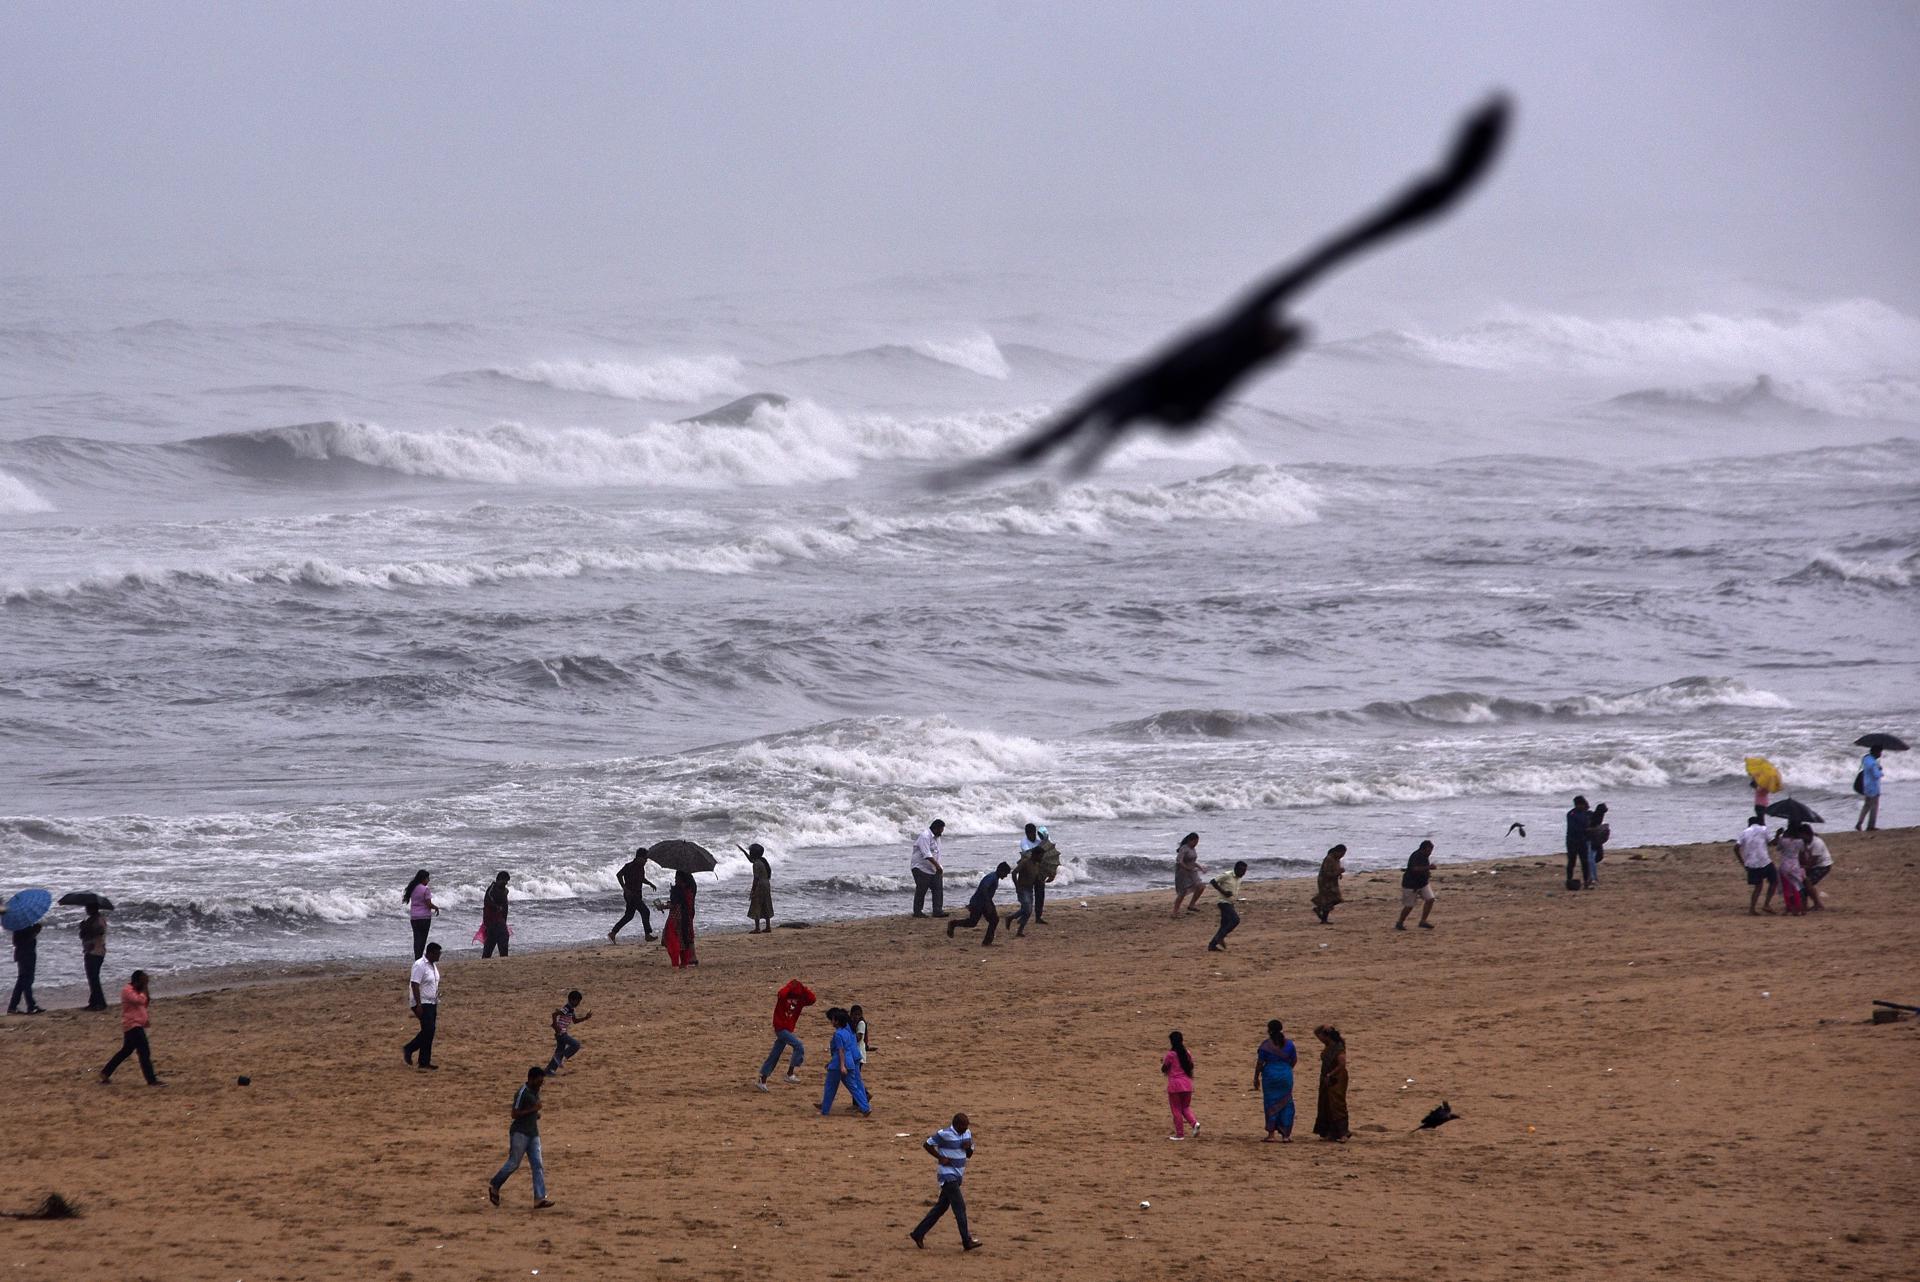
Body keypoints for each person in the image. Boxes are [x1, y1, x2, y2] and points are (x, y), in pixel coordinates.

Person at [910, 1113, 980, 1251]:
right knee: (960, 1207)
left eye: (967, 1127)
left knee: (941, 1208)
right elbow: (927, 1144)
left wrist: (968, 1147)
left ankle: (918, 1233)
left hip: (958, 1175)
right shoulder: (944, 1134)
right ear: (955, 1125)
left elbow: (969, 1155)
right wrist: (940, 1157)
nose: (965, 1129)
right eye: (963, 1127)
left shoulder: (967, 1133)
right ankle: (966, 1241)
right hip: (947, 1175)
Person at [488, 1066, 554, 1209]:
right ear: (531, 1079)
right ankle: (495, 1184)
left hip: (533, 1133)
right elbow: (514, 1114)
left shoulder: (534, 1090)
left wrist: (534, 1114)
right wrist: (533, 1110)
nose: (541, 1084)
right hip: (520, 1133)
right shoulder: (522, 1092)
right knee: (513, 1163)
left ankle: (539, 1198)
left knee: (538, 1165)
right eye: (539, 1081)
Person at [100, 970, 160, 1085]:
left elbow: (145, 1003)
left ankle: (105, 1072)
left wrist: (145, 988)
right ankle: (151, 1080)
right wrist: (144, 988)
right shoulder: (127, 990)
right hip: (133, 1025)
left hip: (136, 1024)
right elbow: (139, 1001)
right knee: (144, 1052)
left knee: (126, 1051)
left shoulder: (138, 990)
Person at [757, 977, 815, 1090]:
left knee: (775, 1054)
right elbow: (781, 993)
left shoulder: (800, 1000)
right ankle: (789, 1073)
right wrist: (790, 986)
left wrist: (803, 988)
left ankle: (762, 1079)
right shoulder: (784, 998)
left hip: (786, 1030)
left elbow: (812, 999)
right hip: (781, 1028)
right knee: (798, 1046)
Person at [819, 1006, 871, 1117]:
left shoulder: (838, 1034)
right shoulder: (848, 1030)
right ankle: (865, 1107)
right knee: (854, 1085)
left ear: (837, 1021)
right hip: (851, 1060)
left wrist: (840, 1065)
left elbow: (840, 1051)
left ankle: (825, 1109)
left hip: (840, 1063)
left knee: (830, 1086)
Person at [946, 862, 1009, 946]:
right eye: (1006, 873)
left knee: (991, 920)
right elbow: (984, 888)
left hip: (983, 902)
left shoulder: (994, 877)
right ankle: (953, 924)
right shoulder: (992, 877)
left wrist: (989, 903)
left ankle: (987, 942)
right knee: (975, 922)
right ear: (1001, 871)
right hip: (978, 903)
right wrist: (988, 904)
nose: (1006, 876)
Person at [1255, 1019, 1296, 1142]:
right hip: (1286, 1074)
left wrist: (1256, 1077)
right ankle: (1286, 1135)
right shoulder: (1289, 1044)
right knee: (1287, 1102)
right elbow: (1294, 1060)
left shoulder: (1265, 1045)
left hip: (1270, 1075)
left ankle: (1271, 1134)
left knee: (1270, 1103)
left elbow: (1260, 1063)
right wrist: (1285, 1069)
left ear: (1269, 1030)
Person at [404, 941, 442, 1069]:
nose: (439, 956)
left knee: (429, 1031)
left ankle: (424, 1061)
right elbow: (415, 984)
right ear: (430, 953)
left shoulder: (433, 966)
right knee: (428, 1030)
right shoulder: (420, 965)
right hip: (422, 1002)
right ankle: (409, 1048)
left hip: (432, 1002)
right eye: (437, 954)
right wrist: (418, 1004)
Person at [609, 847, 656, 942]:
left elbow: (641, 879)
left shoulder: (641, 867)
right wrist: (624, 888)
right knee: (645, 911)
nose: (646, 861)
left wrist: (650, 883)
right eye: (645, 858)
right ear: (639, 858)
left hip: (637, 894)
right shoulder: (629, 866)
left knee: (629, 916)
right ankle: (647, 935)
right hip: (631, 895)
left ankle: (613, 933)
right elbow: (619, 875)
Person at [1311, 1025, 1350, 1141]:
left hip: (1336, 1078)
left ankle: (1343, 1133)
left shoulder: (1338, 1047)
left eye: (1323, 1036)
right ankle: (1330, 1132)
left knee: (1336, 1103)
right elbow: (1316, 1031)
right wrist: (1325, 1026)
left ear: (1327, 1036)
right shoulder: (1328, 1045)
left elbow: (1342, 1064)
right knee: (1325, 1103)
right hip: (1326, 1077)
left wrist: (1330, 1074)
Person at [1735, 812, 1777, 916]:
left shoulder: (1744, 832)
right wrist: (1778, 834)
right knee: (1774, 881)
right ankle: (1766, 904)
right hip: (1764, 860)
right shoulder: (1763, 829)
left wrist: (1742, 861)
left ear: (1749, 824)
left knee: (1758, 886)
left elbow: (1736, 848)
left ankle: (1752, 909)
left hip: (1751, 863)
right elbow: (1772, 843)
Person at [1163, 1030, 1198, 1139]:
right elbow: (1191, 1065)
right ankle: (1194, 1123)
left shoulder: (1170, 1054)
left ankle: (1180, 1134)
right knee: (1185, 1107)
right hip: (1187, 1084)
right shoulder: (1187, 1053)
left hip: (1175, 1086)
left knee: (1176, 1110)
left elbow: (1164, 1068)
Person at [546, 989, 591, 1075]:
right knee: (576, 1045)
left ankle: (549, 1070)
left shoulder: (571, 1009)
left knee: (559, 1050)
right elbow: (554, 1014)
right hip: (561, 1033)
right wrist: (555, 1025)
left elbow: (575, 1021)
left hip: (562, 1032)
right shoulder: (567, 1008)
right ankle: (560, 1057)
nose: (578, 1003)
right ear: (571, 1000)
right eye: (577, 1001)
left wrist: (585, 1018)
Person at [1207, 860, 1248, 951]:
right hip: (1223, 902)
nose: (1243, 873)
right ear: (1236, 869)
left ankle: (1212, 945)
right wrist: (1223, 892)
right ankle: (1220, 937)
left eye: (1245, 871)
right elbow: (1213, 881)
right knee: (1235, 920)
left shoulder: (1239, 878)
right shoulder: (1227, 875)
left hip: (1231, 903)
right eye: (1241, 871)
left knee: (1224, 925)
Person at [1395, 841, 1436, 931]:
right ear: (1423, 849)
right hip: (1411, 885)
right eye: (1429, 850)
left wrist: (1427, 873)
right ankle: (1400, 922)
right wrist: (1428, 867)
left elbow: (1422, 869)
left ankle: (1423, 921)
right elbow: (1414, 869)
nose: (1430, 853)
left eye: (1431, 850)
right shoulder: (1416, 856)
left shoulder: (1425, 856)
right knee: (1409, 906)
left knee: (1430, 899)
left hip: (1423, 883)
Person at [911, 820, 947, 918]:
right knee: (921, 890)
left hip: (933, 868)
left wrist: (939, 866)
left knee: (938, 889)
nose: (942, 832)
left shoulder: (937, 838)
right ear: (935, 829)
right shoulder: (925, 836)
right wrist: (938, 866)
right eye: (941, 829)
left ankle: (937, 911)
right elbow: (926, 854)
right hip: (921, 867)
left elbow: (937, 853)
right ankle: (917, 912)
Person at [662, 869, 698, 968]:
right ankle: (687, 960)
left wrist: (664, 906)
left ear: (681, 878)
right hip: (687, 914)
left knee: (672, 938)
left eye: (676, 878)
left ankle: (676, 962)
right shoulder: (691, 887)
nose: (675, 879)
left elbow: (674, 904)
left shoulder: (677, 890)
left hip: (676, 917)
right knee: (685, 938)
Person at [8, 921, 42, 1015]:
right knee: (27, 981)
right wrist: (34, 931)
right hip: (25, 956)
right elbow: (20, 941)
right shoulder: (22, 927)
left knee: (22, 981)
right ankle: (30, 1005)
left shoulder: (20, 926)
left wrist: (34, 931)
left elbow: (17, 942)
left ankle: (13, 1006)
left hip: (25, 955)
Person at [1772, 827, 1808, 916]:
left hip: (1785, 865)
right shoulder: (1800, 841)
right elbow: (1803, 853)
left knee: (1786, 888)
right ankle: (1799, 908)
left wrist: (1777, 835)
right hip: (1795, 865)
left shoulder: (1783, 841)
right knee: (1797, 887)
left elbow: (1777, 847)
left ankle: (1789, 908)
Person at [79, 904, 108, 1010]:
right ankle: (94, 1001)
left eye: (88, 908)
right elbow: (82, 935)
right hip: (91, 951)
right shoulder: (92, 920)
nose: (86, 909)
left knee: (93, 978)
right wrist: (83, 928)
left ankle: (100, 1003)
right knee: (92, 978)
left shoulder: (99, 920)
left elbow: (98, 932)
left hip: (96, 952)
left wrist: (86, 927)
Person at [404, 869, 438, 959]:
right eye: (427, 878)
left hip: (414, 917)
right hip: (424, 917)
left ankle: (417, 957)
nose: (429, 880)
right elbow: (429, 904)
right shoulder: (425, 889)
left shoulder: (412, 888)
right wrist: (436, 907)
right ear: (423, 879)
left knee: (416, 939)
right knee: (423, 940)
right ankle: (419, 958)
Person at [1007, 844, 1039, 938]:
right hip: (1022, 889)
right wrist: (1017, 886)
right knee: (1027, 909)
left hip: (1030, 889)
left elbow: (1034, 877)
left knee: (1028, 911)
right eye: (1041, 856)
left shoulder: (1037, 865)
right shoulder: (1025, 862)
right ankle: (1011, 918)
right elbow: (1014, 872)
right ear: (1035, 855)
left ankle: (1019, 929)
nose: (1041, 858)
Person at [1172, 832, 1207, 917]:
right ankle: (1174, 912)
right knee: (1182, 892)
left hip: (1192, 873)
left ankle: (1191, 905)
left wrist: (1201, 868)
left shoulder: (1193, 849)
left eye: (1197, 842)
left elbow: (1193, 861)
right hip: (1183, 873)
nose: (1196, 844)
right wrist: (1187, 868)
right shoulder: (1184, 848)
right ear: (1189, 840)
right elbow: (1179, 861)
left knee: (1201, 886)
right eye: (1195, 842)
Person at [1311, 844, 1346, 925]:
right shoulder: (1329, 859)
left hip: (1332, 882)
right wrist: (1338, 872)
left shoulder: (1336, 859)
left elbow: (1335, 869)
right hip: (1325, 882)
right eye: (1342, 854)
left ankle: (1320, 909)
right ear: (1337, 851)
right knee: (1329, 900)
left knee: (1335, 899)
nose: (1342, 856)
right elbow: (1327, 873)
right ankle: (1323, 918)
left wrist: (1339, 873)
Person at [1032, 826, 1060, 924]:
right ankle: (1036, 916)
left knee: (1036, 896)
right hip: (1038, 875)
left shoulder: (1038, 845)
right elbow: (1053, 862)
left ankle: (1035, 916)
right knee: (1038, 896)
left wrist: (1052, 874)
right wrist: (1052, 874)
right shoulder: (1047, 846)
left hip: (1038, 875)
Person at [481, 871, 512, 958]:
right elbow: (487, 902)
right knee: (491, 944)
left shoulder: (504, 891)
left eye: (507, 881)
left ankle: (503, 959)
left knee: (501, 940)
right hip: (491, 922)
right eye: (504, 881)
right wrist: (497, 907)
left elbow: (505, 909)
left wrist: (504, 922)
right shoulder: (491, 889)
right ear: (498, 880)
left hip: (500, 921)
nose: (506, 883)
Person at [1802, 825, 1834, 910]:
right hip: (1813, 865)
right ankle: (1805, 904)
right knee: (1805, 882)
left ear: (1807, 834)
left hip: (1823, 865)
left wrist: (1802, 868)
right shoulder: (1805, 842)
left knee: (1808, 882)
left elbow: (1813, 862)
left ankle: (1817, 904)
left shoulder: (1817, 843)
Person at [1564, 797, 1592, 891]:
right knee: (1572, 861)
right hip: (1572, 841)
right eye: (1582, 805)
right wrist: (1586, 830)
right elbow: (1573, 828)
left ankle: (1586, 881)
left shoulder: (1586, 813)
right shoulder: (1571, 814)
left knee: (1585, 862)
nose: (1583, 806)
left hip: (1582, 841)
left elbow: (1594, 820)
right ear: (1577, 805)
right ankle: (1569, 880)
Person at [747, 843, 775, 933]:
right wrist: (743, 852)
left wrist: (753, 890)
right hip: (766, 884)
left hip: (759, 885)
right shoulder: (763, 861)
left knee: (756, 905)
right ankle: (768, 927)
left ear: (753, 854)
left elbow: (756, 878)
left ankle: (757, 928)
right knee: (766, 904)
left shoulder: (756, 864)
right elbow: (750, 859)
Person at [1855, 745, 1884, 833]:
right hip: (1873, 787)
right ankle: (1871, 826)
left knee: (1866, 805)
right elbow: (1876, 775)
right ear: (1876, 752)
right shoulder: (1873, 763)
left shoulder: (1866, 759)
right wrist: (1880, 771)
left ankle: (1859, 823)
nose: (1880, 754)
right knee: (1874, 806)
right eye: (1880, 752)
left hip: (1866, 786)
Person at [1587, 803, 1612, 886]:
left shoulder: (1595, 815)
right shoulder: (1594, 817)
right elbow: (1589, 828)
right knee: (1592, 859)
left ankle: (1592, 876)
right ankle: (1592, 877)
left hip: (1595, 840)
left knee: (1594, 858)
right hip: (1592, 840)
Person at [850, 1003, 871, 1071]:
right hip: (856, 1053)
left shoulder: (861, 1023)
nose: (857, 1016)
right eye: (855, 1014)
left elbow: (859, 1038)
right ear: (851, 1015)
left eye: (858, 1015)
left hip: (859, 1053)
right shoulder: (853, 1023)